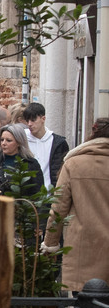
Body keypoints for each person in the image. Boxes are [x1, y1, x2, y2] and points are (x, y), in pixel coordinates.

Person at [42, 116, 109, 294]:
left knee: (84, 303)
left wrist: (50, 244)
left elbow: (58, 209)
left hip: (83, 248)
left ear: (93, 132)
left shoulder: (73, 164)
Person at [0, 123, 45, 199]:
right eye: (2, 140)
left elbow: (38, 194)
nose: (3, 143)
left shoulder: (31, 164)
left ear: (19, 142)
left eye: (8, 140)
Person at [21, 102, 70, 188]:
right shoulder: (21, 139)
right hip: (26, 192)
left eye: (33, 120)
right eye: (27, 120)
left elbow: (63, 170)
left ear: (43, 119)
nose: (29, 124)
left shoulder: (58, 143)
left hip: (50, 191)